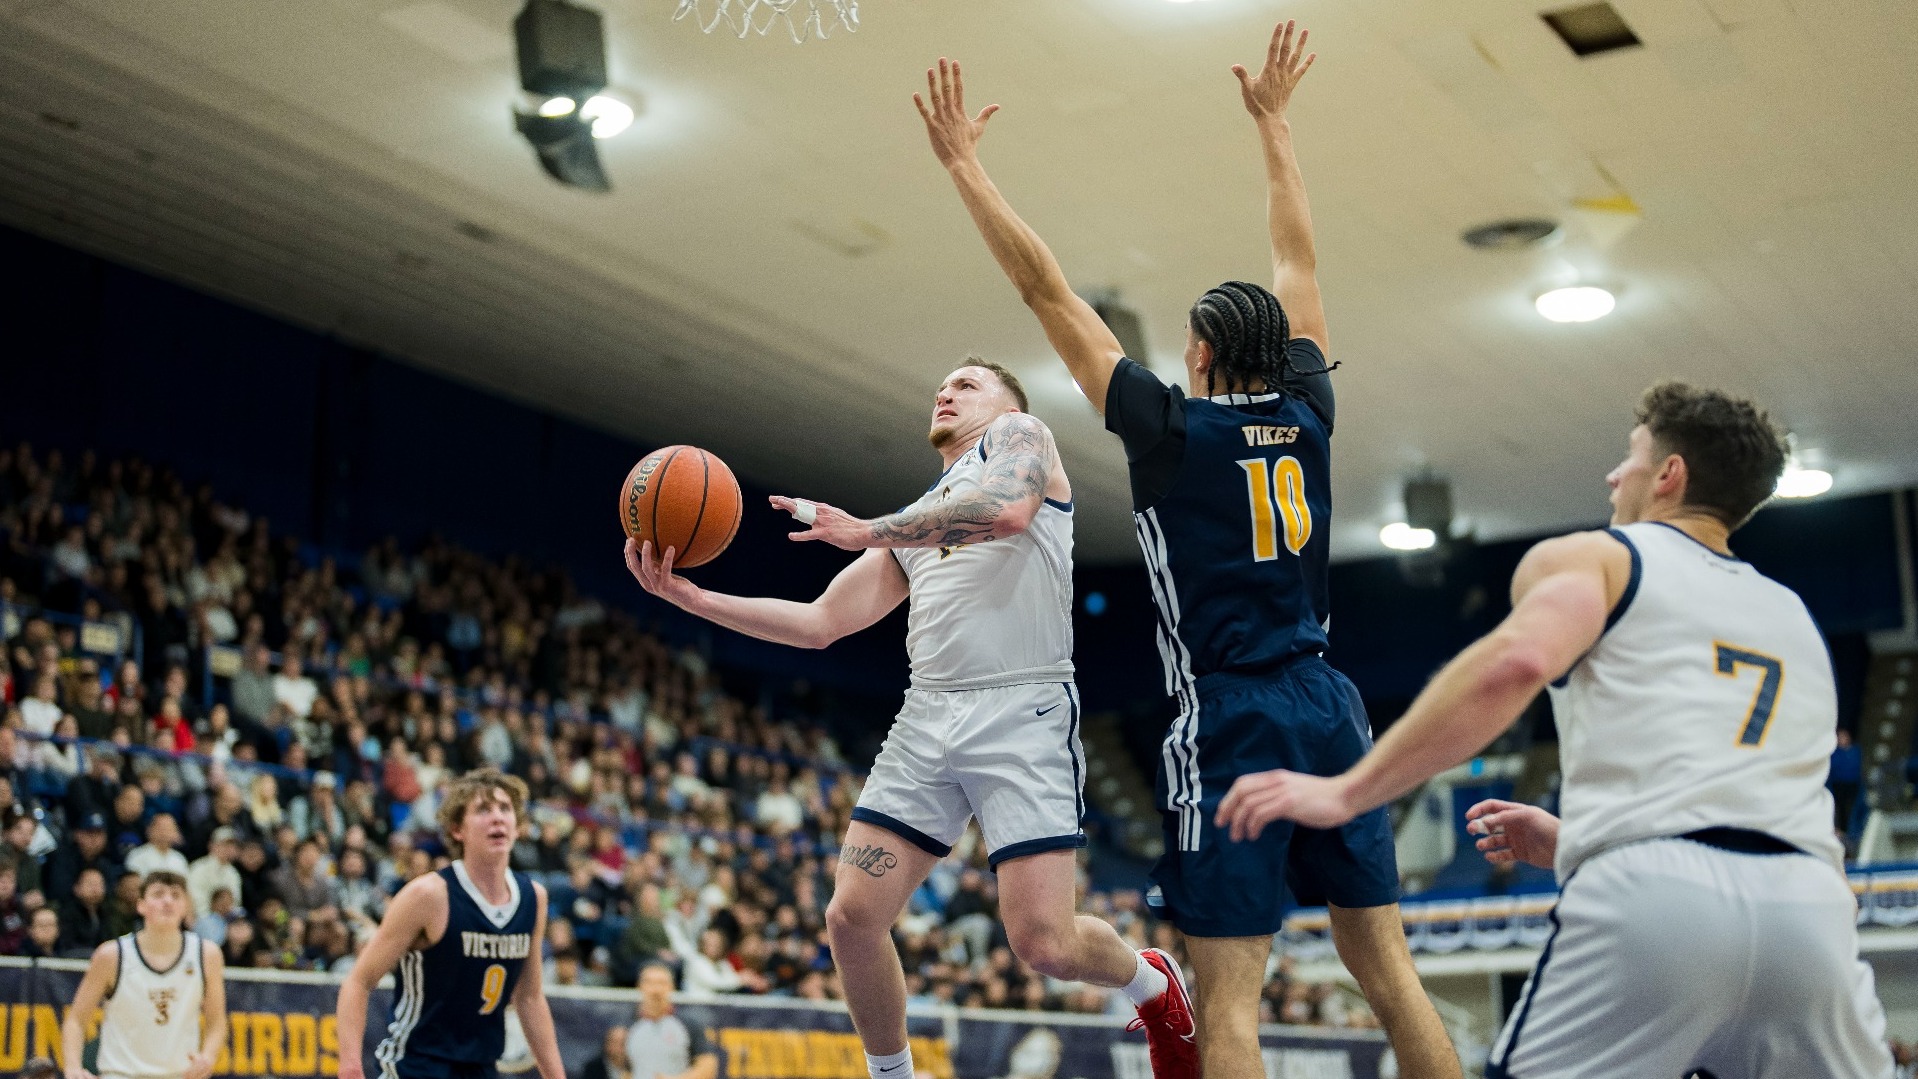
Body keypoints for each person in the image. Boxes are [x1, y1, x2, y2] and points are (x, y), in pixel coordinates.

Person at [912, 23, 1455, 1079]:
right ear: (1281, 354)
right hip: (1330, 700)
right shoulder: (1309, 411)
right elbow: (1297, 258)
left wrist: (964, 164)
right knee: (1387, 968)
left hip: (1233, 713)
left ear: (1198, 354)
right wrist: (1276, 127)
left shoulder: (1166, 431)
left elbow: (1045, 291)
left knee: (1227, 997)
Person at [1217, 382, 1896, 1078]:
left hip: (1657, 893)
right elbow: (1745, 808)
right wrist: (1576, 840)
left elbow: (1515, 662)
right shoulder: (1794, 617)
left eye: (1630, 456)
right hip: (1810, 910)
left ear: (1670, 474)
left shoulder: (1603, 557)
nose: (1613, 475)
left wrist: (1349, 792)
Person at [626, 372, 1193, 1073]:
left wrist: (865, 528)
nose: (946, 391)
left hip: (1022, 707)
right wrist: (690, 596)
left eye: (968, 382)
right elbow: (820, 624)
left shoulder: (1021, 439)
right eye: (943, 385)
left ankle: (1151, 981)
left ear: (1007, 404)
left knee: (1043, 944)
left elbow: (1009, 511)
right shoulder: (921, 515)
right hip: (927, 712)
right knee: (851, 917)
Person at [336, 768, 565, 1079]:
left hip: (481, 1068)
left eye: (505, 808)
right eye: (483, 809)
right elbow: (358, 981)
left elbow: (529, 997)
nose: (497, 817)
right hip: (416, 1066)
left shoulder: (532, 898)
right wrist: (350, 1068)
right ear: (458, 830)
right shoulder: (428, 895)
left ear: (517, 826)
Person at [60, 870, 228, 1079]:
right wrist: (72, 1067)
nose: (167, 901)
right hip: (121, 1074)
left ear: (186, 906)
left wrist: (208, 1056)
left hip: (180, 1074)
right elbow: (76, 1019)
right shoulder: (112, 954)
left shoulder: (207, 954)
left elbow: (217, 1022)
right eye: (158, 894)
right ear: (141, 905)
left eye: (176, 895)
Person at [625, 964, 718, 1079]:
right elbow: (622, 1069)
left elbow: (709, 1065)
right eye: (649, 983)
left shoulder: (688, 1024)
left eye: (661, 983)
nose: (656, 990)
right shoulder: (627, 1024)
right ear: (639, 986)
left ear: (671, 987)